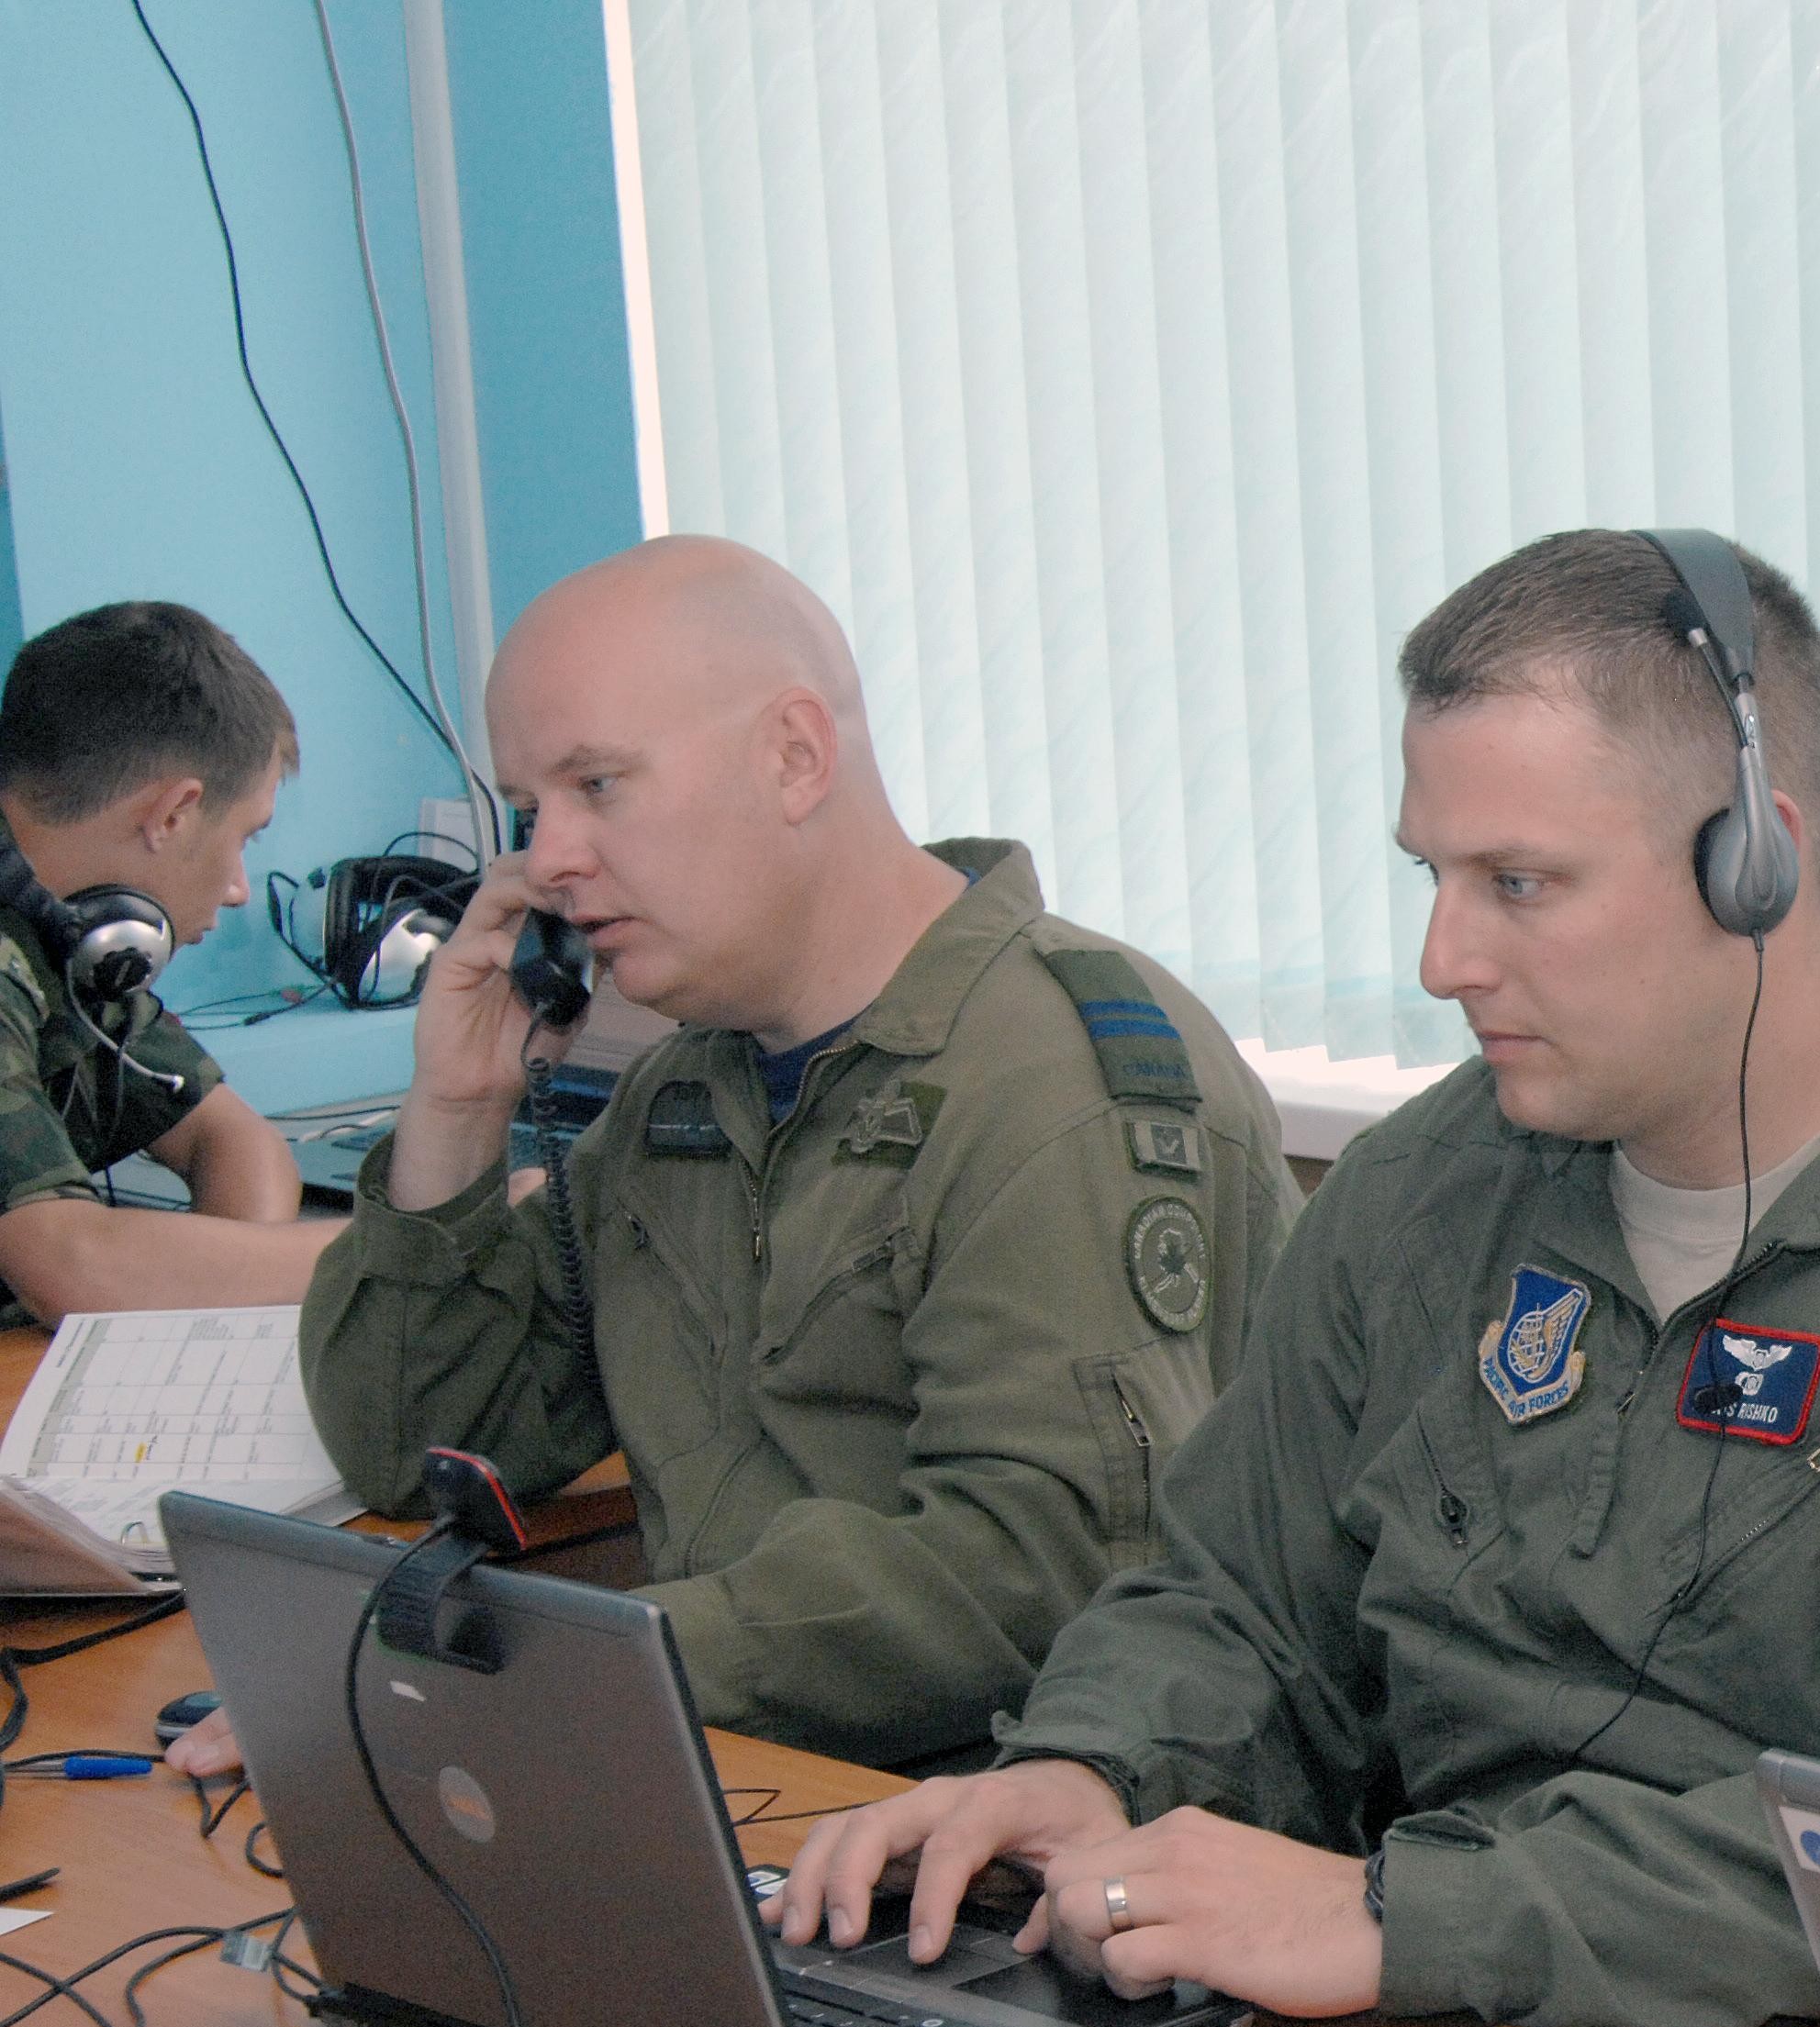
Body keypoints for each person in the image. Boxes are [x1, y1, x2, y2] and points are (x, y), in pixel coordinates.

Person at [774, 528, 1820, 2027]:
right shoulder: (1432, 1190)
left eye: (1519, 883)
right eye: (1433, 875)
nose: (1442, 960)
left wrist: (1404, 1919)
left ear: (1754, 866)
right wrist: (1092, 1769)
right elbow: (1239, 1600)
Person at [250, 538, 1296, 1773]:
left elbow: (1041, 1573)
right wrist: (457, 1109)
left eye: (598, 785)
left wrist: (585, 1670)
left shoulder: (1054, 1083)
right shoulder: (690, 1087)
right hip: (757, 1770)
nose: (549, 860)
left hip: (1016, 1807)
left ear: (795, 756)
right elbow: (418, 1447)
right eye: (532, 808)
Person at [0, 603, 341, 1316]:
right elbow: (71, 1268)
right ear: (173, 814)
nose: (239, 889)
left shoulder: (70, 932)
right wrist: (430, 1252)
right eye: (244, 837)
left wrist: (223, 1293)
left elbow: (232, 1139)